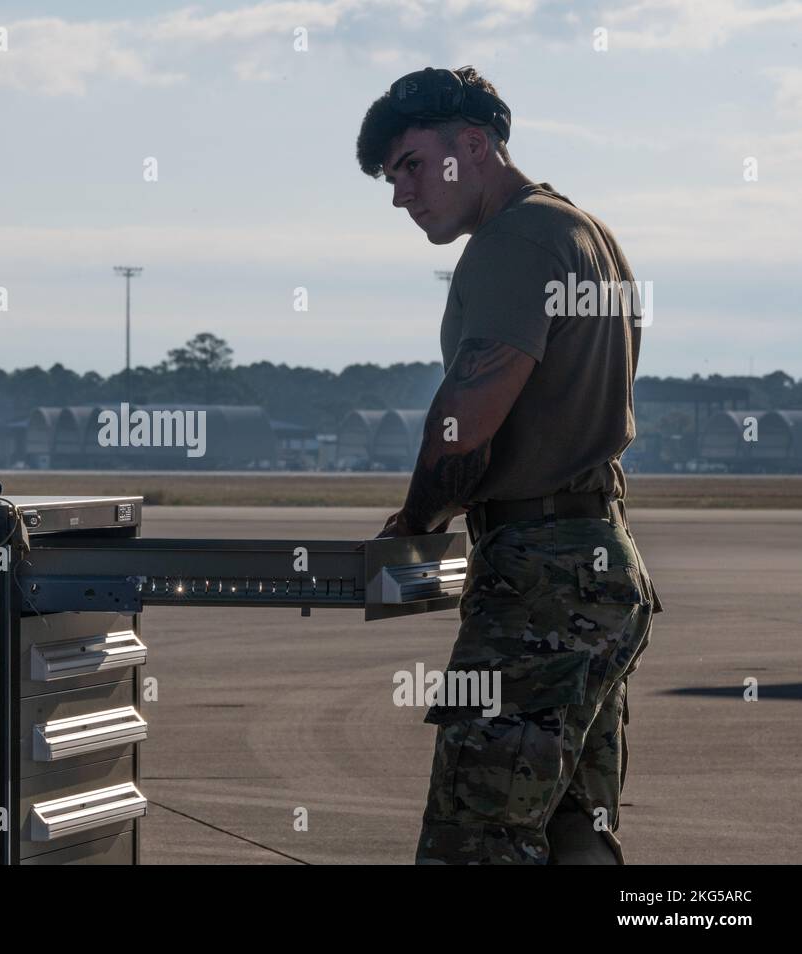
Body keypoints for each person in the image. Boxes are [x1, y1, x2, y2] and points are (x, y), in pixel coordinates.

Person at [356, 66, 662, 864]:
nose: (401, 195)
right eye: (392, 179)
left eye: (413, 166)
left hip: (541, 589)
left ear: (476, 144)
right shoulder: (585, 232)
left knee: (476, 839)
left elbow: (464, 424)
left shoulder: (514, 242)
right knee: (574, 834)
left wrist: (415, 522)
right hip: (597, 566)